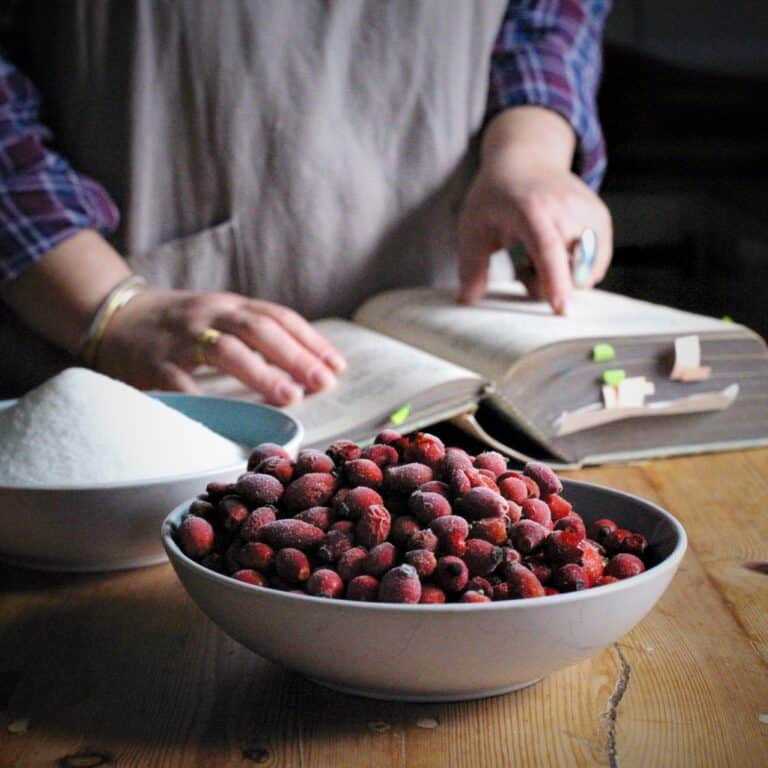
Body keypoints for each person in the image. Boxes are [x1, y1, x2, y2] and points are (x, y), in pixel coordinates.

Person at [0, 0, 612, 402]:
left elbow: (549, 17)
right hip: (103, 330)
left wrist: (531, 154)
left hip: (453, 347)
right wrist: (111, 310)